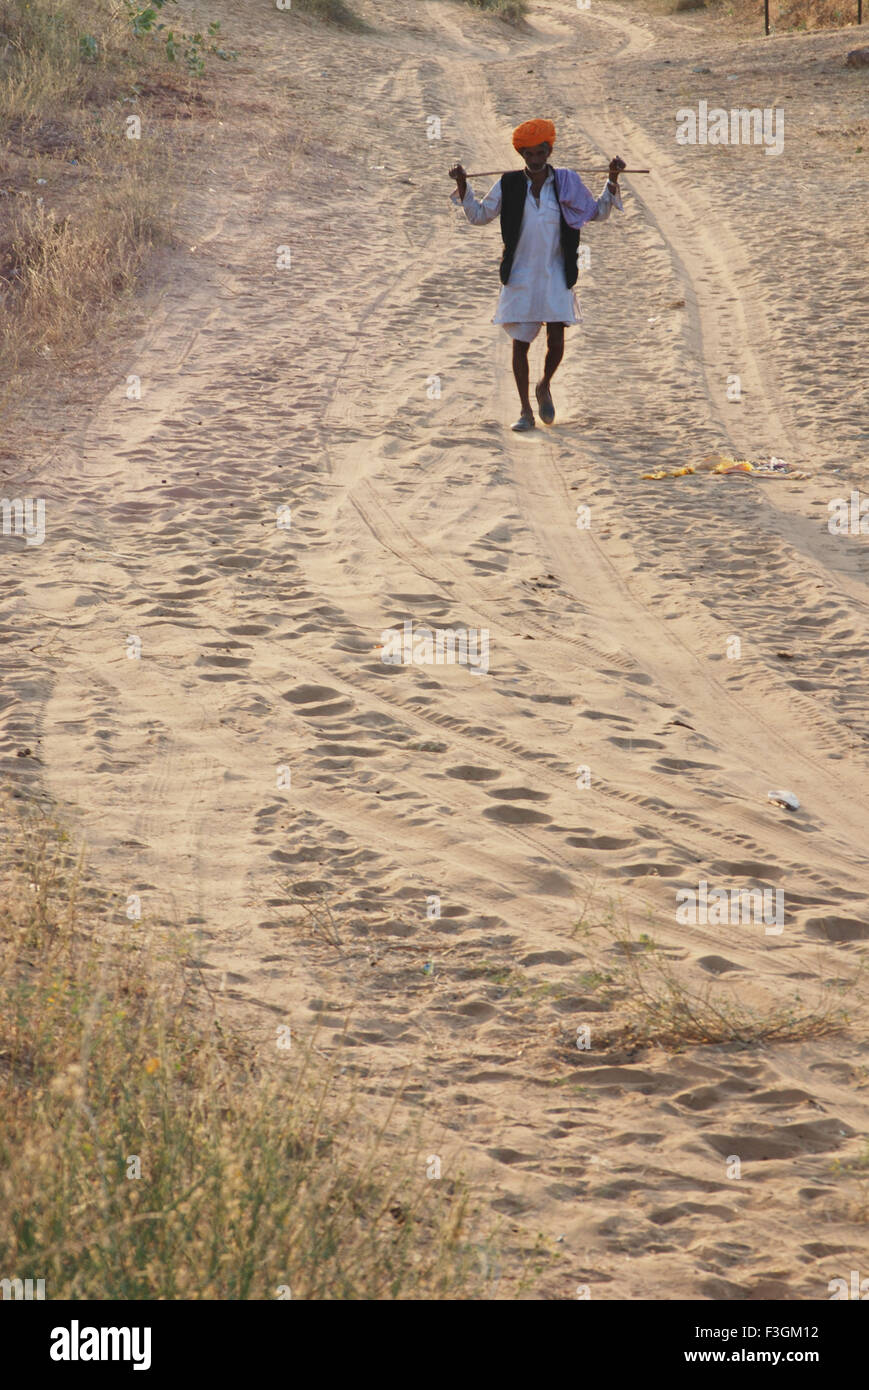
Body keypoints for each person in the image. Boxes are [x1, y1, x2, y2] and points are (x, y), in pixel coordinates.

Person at [449, 118, 625, 431]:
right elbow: (478, 216)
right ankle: (525, 411)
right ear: (522, 155)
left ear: (549, 151)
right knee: (521, 343)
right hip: (521, 274)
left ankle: (544, 385)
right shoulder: (508, 183)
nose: (535, 159)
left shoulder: (567, 182)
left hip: (557, 270)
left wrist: (612, 178)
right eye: (528, 154)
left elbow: (597, 211)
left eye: (540, 152)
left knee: (556, 340)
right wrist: (463, 187)